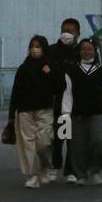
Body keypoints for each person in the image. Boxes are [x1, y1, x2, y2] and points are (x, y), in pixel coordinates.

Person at [60, 39, 102, 186]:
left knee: (97, 142)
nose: (86, 52)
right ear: (79, 52)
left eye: (89, 49)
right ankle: (80, 175)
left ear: (95, 51)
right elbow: (67, 93)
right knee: (76, 146)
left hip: (97, 114)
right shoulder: (72, 71)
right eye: (83, 49)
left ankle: (95, 171)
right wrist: (65, 113)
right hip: (76, 115)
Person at [9, 36, 63, 188]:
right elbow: (16, 92)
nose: (34, 49)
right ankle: (32, 175)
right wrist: (11, 115)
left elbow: (59, 87)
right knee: (28, 144)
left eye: (38, 46)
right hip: (24, 110)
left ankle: (46, 165)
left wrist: (50, 73)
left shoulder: (50, 66)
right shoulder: (23, 68)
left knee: (44, 141)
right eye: (32, 46)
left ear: (44, 48)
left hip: (45, 109)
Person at [48, 18, 82, 183]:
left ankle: (71, 170)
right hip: (57, 102)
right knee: (57, 137)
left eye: (70, 31)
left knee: (73, 139)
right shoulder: (52, 51)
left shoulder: (82, 52)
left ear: (78, 33)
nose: (66, 34)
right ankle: (55, 166)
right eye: (64, 30)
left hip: (77, 103)